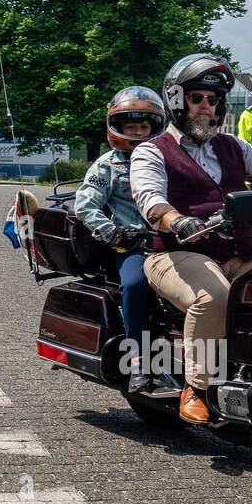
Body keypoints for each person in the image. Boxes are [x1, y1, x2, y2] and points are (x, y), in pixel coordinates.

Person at [130, 54, 252, 423]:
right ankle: (197, 387)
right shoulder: (152, 151)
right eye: (197, 98)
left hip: (239, 252)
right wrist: (176, 220)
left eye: (214, 99)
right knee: (214, 297)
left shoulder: (233, 146)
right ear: (177, 100)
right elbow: (149, 198)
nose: (207, 107)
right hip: (176, 253)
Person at [73, 86, 166, 394]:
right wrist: (114, 233)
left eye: (144, 126)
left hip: (173, 240)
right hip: (133, 245)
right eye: (131, 126)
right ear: (117, 127)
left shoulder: (168, 159)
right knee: (136, 284)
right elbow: (85, 204)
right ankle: (139, 360)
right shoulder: (107, 165)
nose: (138, 132)